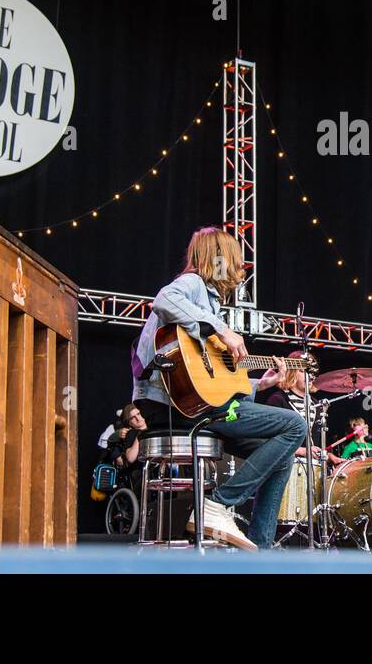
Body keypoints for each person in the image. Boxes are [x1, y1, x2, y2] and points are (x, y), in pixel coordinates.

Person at [131, 227, 306, 551]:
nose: (240, 270)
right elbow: (164, 300)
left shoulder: (207, 304)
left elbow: (212, 379)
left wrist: (262, 383)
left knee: (282, 457)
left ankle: (259, 551)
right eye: (236, 262)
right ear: (220, 260)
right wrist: (223, 329)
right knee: (295, 425)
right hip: (172, 407)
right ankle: (218, 505)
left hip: (194, 405)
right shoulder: (194, 284)